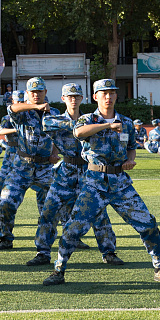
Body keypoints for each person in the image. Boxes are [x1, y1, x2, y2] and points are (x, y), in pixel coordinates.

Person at [42, 79, 160, 286]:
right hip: (94, 183)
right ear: (95, 97)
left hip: (120, 183)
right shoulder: (87, 119)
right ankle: (58, 270)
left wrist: (131, 159)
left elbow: (131, 145)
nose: (108, 96)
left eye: (112, 93)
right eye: (103, 93)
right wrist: (107, 125)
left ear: (116, 96)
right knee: (73, 228)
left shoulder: (127, 122)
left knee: (148, 224)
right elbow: (78, 133)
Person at [27, 82, 122, 267]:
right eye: (69, 97)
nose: (73, 99)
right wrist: (87, 125)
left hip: (90, 171)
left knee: (99, 213)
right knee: (49, 211)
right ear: (63, 99)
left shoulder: (93, 120)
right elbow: (47, 124)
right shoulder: (58, 119)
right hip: (66, 171)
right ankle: (43, 252)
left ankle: (109, 252)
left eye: (77, 96)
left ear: (82, 98)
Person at [0, 77, 58, 250]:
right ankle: (5, 237)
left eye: (40, 91)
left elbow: (59, 137)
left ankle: (46, 243)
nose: (36, 95)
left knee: (53, 205)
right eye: (33, 92)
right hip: (22, 166)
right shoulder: (23, 111)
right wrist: (35, 106)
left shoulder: (55, 112)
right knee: (6, 201)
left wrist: (55, 152)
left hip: (46, 167)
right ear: (28, 94)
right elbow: (12, 108)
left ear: (45, 92)